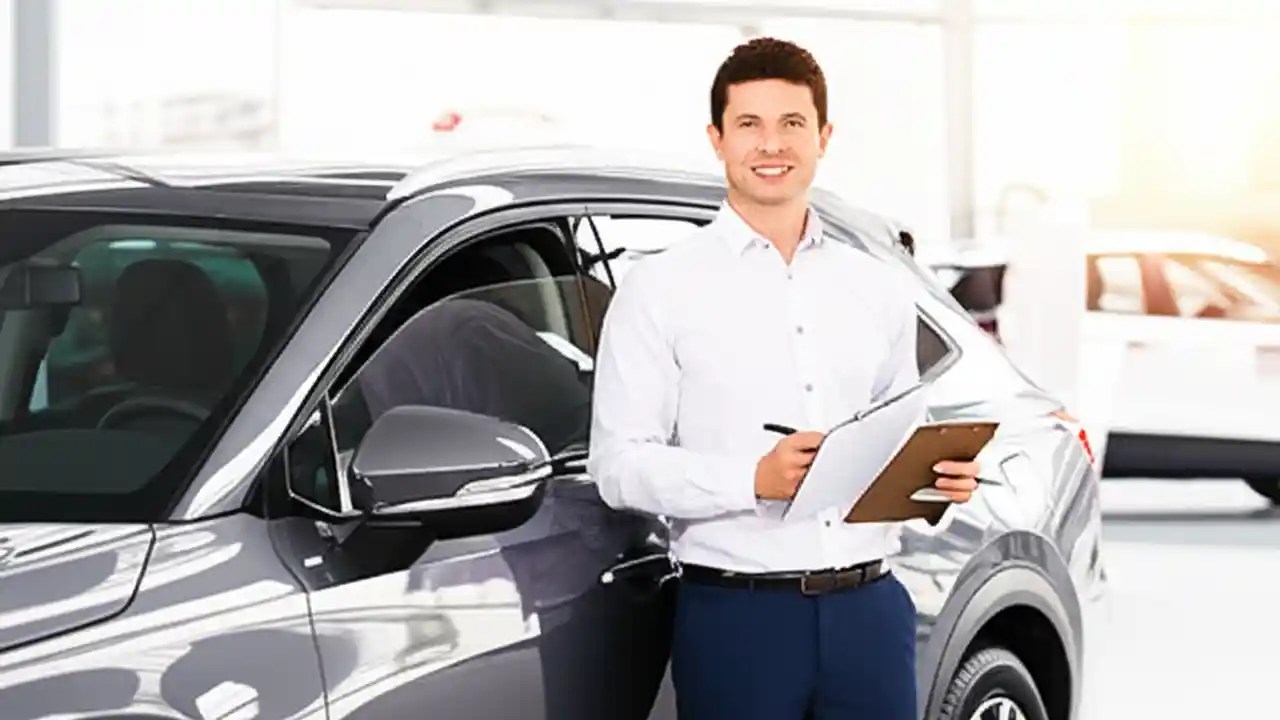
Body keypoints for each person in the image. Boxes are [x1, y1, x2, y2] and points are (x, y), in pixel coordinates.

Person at [587, 37, 982, 720]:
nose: (772, 145)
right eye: (750, 125)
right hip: (737, 620)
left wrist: (932, 482)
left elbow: (897, 432)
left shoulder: (877, 286)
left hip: (872, 613)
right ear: (717, 139)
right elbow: (617, 467)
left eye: (792, 124)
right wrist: (753, 479)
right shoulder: (660, 288)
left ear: (823, 137)